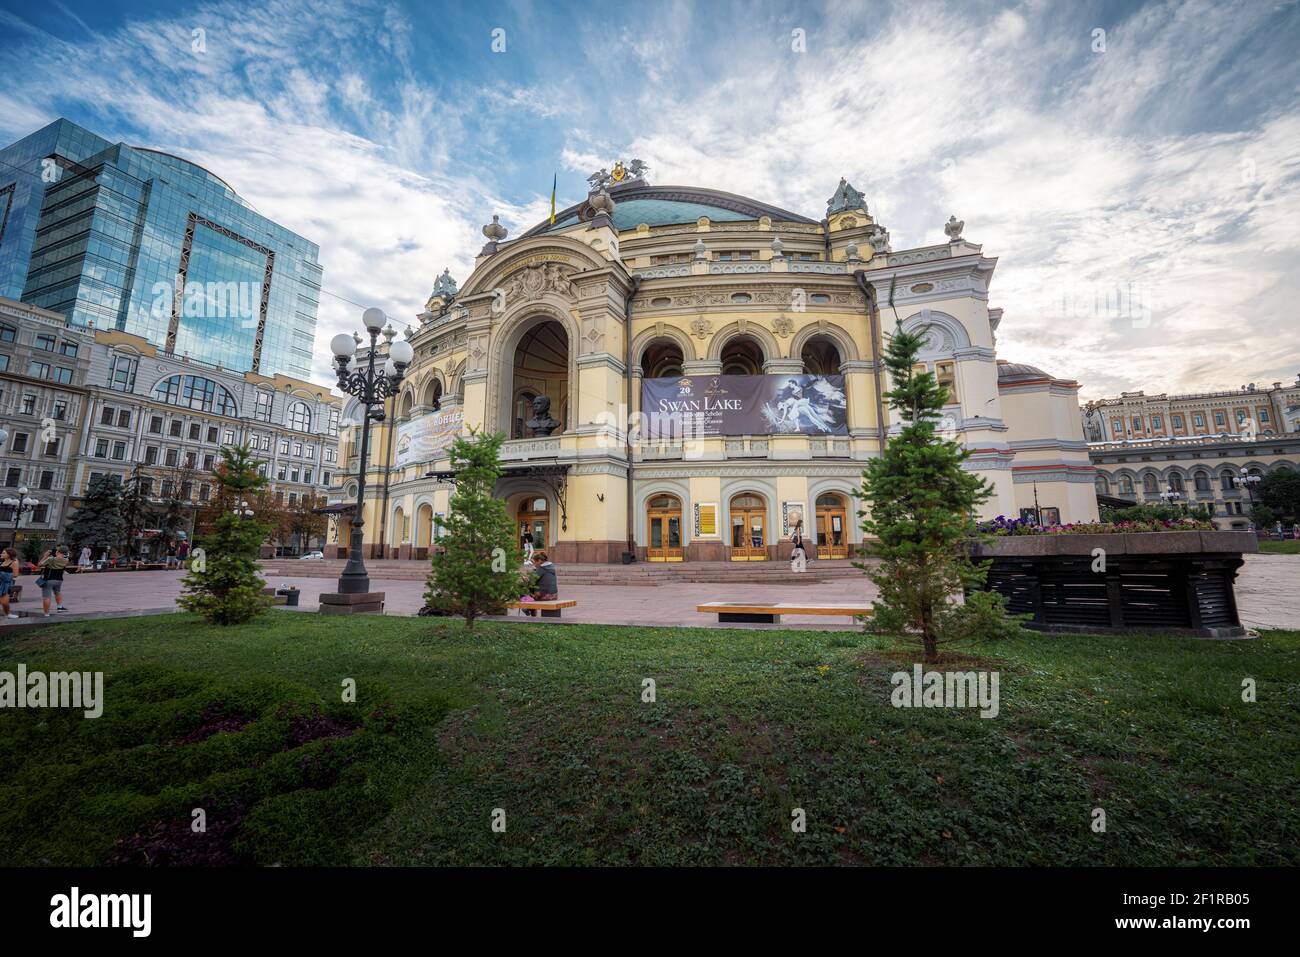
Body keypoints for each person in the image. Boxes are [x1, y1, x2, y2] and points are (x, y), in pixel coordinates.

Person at [521, 551, 558, 617]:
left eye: (535, 562)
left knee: (524, 590)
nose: (534, 564)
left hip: (544, 596)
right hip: (554, 595)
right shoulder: (551, 567)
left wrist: (525, 579)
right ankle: (529, 609)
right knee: (532, 589)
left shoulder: (541, 569)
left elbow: (531, 581)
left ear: (540, 561)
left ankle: (527, 608)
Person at [37, 546, 69, 616]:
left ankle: (46, 613)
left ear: (58, 552)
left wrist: (45, 556)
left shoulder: (51, 559)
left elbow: (39, 565)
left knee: (46, 597)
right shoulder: (66, 560)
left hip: (49, 580)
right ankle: (60, 607)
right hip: (59, 580)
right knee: (57, 592)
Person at [0, 547, 19, 619]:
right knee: (3, 602)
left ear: (9, 554)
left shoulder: (14, 562)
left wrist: (2, 574)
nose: (1, 554)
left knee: (4, 602)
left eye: (3, 553)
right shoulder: (2, 562)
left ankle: (8, 614)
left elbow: (15, 575)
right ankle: (8, 614)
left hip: (6, 584)